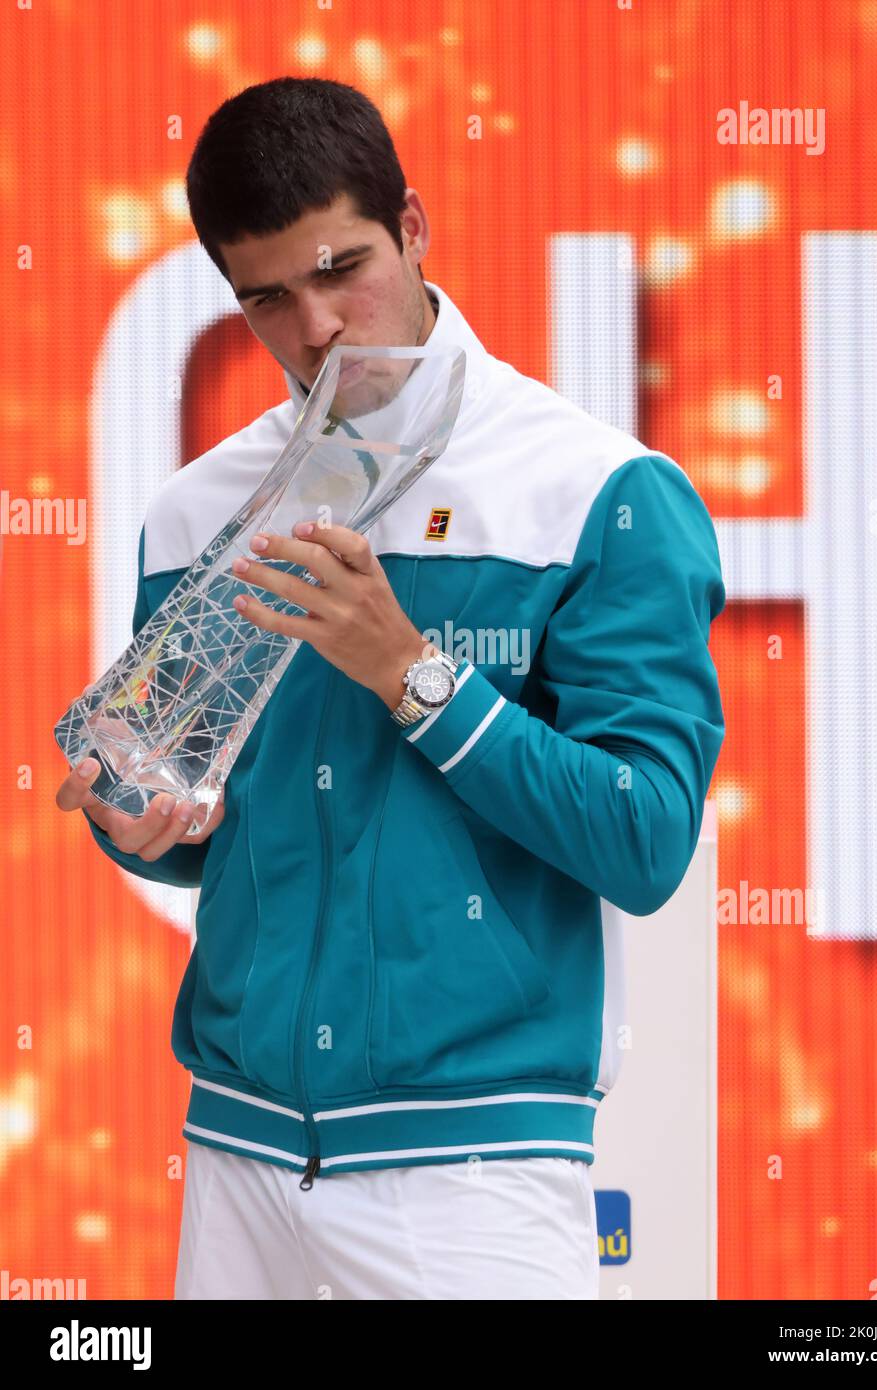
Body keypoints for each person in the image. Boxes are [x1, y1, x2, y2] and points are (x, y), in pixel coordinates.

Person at [55, 77, 727, 1300]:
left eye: (341, 267)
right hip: (234, 1154)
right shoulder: (196, 510)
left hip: (474, 1173)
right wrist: (149, 833)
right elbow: (216, 838)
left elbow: (643, 838)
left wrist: (412, 677)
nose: (317, 327)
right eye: (267, 295)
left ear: (413, 224)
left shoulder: (596, 491)